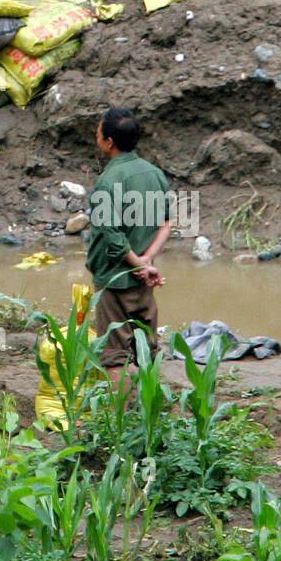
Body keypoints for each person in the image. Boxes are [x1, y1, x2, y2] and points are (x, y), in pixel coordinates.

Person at [86, 106, 172, 374]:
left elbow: (112, 236)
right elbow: (166, 224)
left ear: (109, 142)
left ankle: (121, 414)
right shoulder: (154, 174)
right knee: (147, 350)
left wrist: (137, 264)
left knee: (114, 356)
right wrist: (147, 262)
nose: (96, 134)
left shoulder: (108, 182)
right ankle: (150, 410)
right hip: (144, 280)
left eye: (99, 130)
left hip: (115, 280)